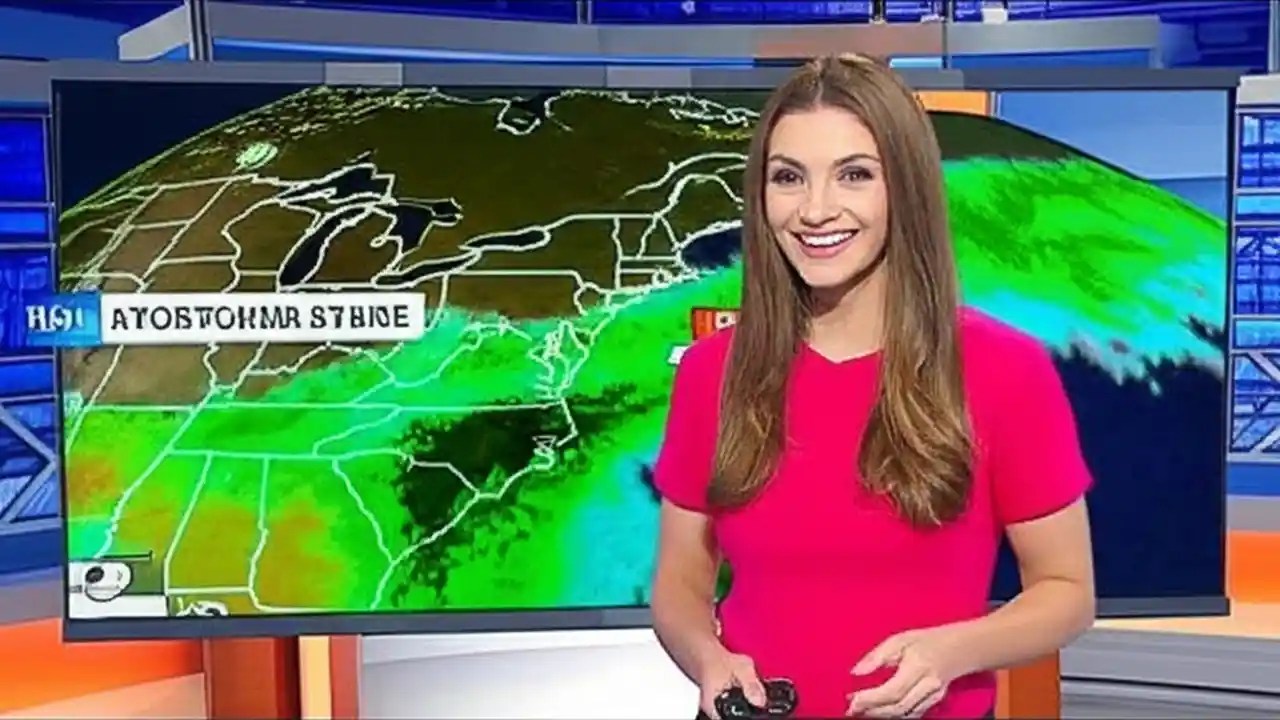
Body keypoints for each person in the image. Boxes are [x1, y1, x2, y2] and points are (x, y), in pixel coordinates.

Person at [649, 54, 1096, 719]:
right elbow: (679, 584)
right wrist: (707, 658)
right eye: (788, 178)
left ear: (904, 189)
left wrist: (954, 652)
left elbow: (1066, 591)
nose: (815, 210)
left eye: (854, 175)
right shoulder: (712, 372)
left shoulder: (1005, 369)